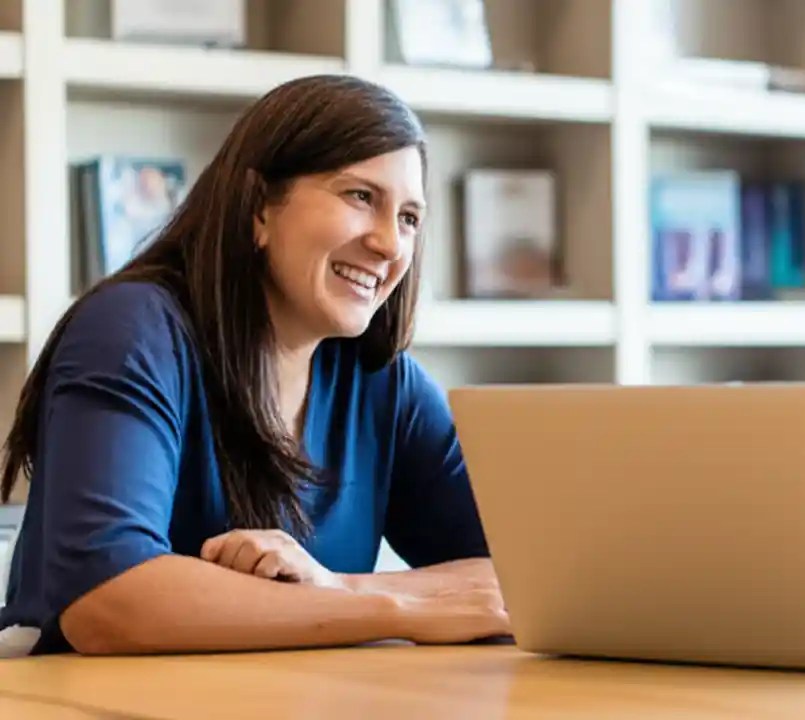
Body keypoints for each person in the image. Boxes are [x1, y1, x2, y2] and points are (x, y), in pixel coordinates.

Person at [0, 75, 510, 656]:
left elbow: (527, 581)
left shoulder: (384, 383)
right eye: (360, 197)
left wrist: (336, 585)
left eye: (410, 218)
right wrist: (393, 608)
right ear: (259, 209)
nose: (391, 245)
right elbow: (108, 601)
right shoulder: (132, 331)